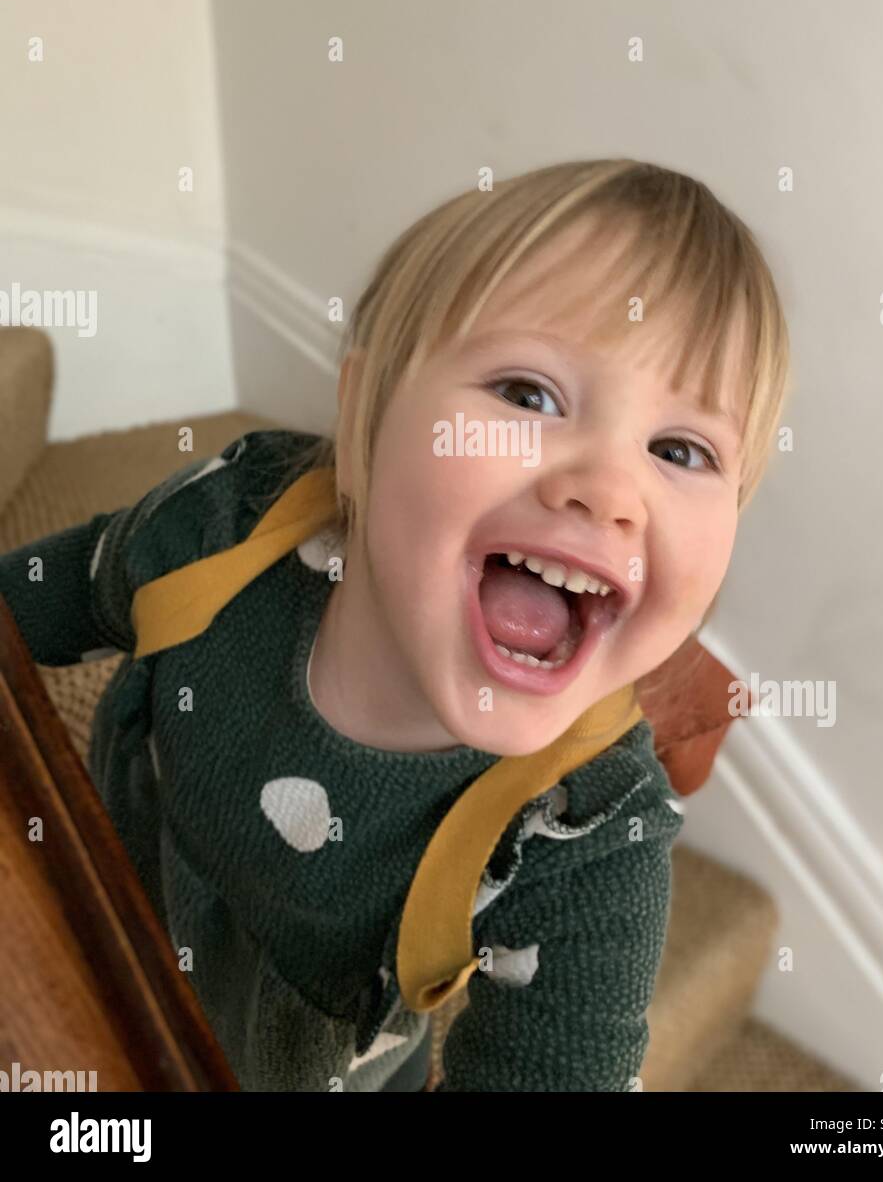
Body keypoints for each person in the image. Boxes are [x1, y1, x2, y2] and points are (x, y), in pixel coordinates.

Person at [0, 158, 790, 1091]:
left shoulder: (588, 837)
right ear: (364, 414)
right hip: (115, 861)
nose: (609, 491)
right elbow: (53, 588)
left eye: (680, 450)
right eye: (528, 396)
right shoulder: (230, 524)